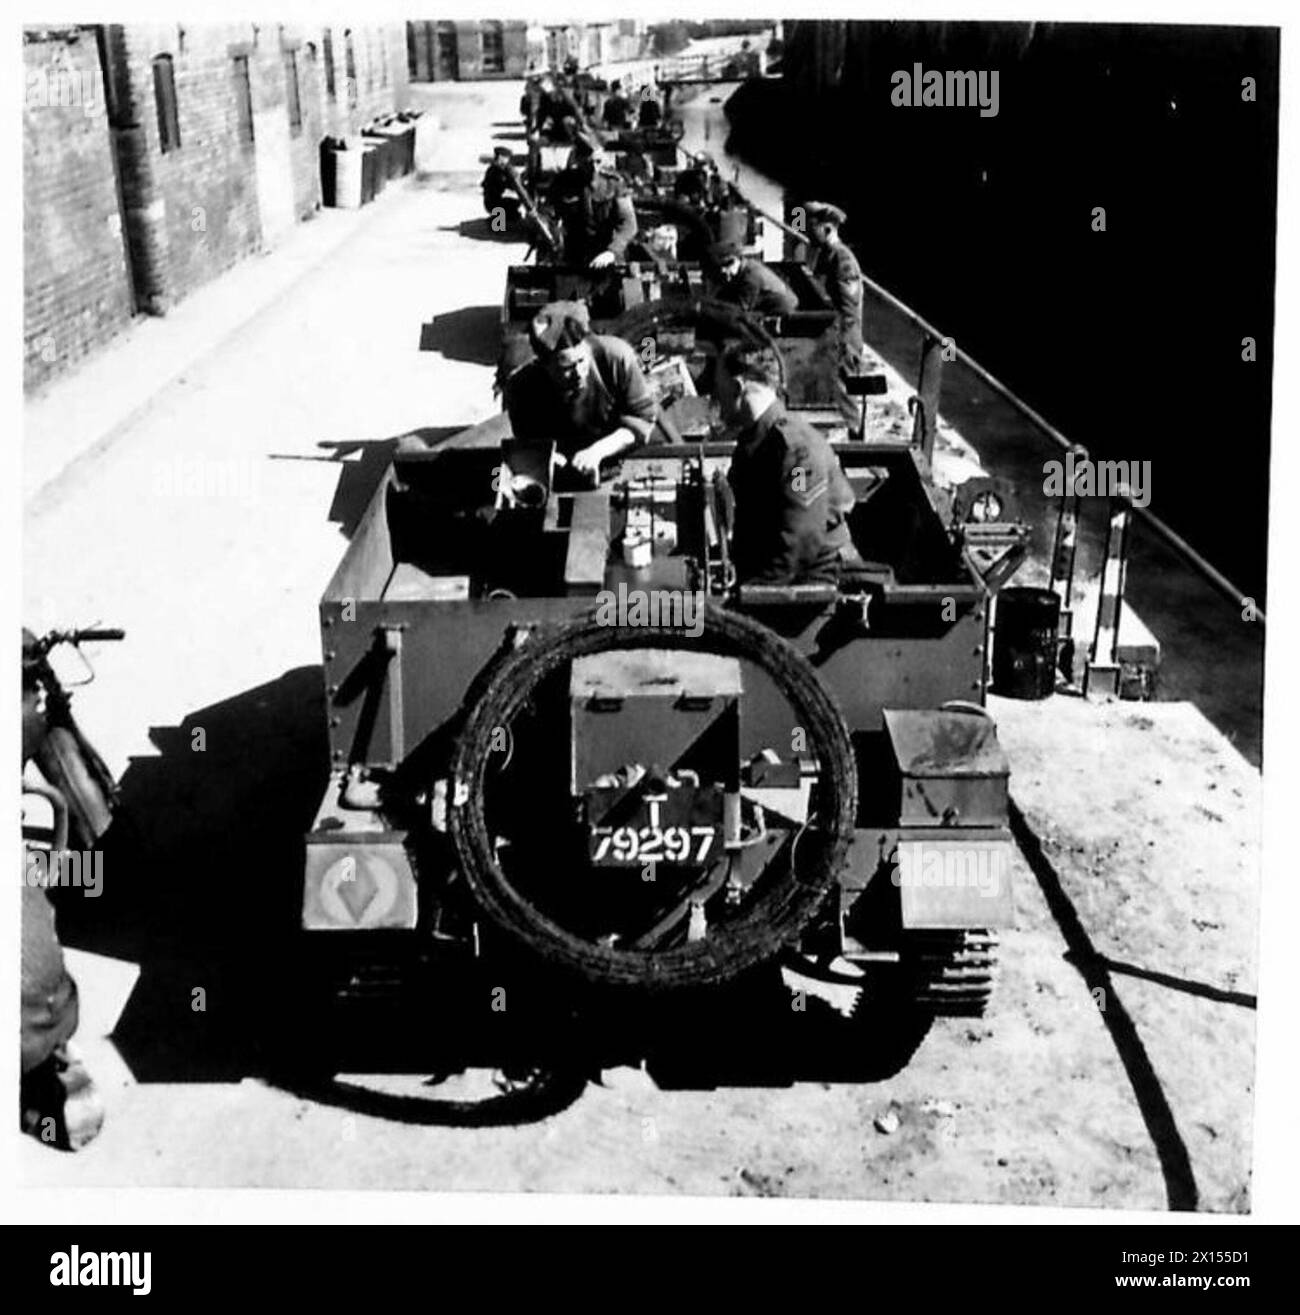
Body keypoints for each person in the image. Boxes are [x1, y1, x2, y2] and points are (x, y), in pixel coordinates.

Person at [720, 343, 858, 584]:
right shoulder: (757, 437)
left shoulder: (795, 453)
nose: (715, 401)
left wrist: (751, 595)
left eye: (717, 391)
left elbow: (799, 543)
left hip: (815, 577)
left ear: (736, 388)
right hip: (776, 565)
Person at [504, 301, 658, 478]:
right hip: (562, 469)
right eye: (567, 368)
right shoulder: (521, 387)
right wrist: (546, 457)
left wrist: (597, 451)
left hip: (618, 456)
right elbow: (528, 442)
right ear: (545, 366)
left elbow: (642, 419)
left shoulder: (617, 358)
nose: (579, 373)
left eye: (582, 362)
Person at [804, 200, 865, 427]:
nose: (809, 235)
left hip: (843, 339)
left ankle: (856, 446)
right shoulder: (826, 254)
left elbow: (849, 310)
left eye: (812, 229)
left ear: (827, 228)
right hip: (834, 336)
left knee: (845, 399)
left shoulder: (843, 260)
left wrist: (840, 344)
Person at [548, 139, 638, 268]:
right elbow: (549, 213)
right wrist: (551, 230)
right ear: (578, 160)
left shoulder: (613, 183)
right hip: (572, 254)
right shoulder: (563, 183)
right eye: (588, 163)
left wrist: (612, 251)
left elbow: (629, 224)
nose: (594, 168)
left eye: (598, 162)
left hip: (606, 254)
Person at [710, 240, 799, 317]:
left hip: (782, 311)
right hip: (769, 305)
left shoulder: (751, 277)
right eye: (720, 266)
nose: (724, 270)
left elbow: (741, 309)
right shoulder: (743, 269)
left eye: (729, 264)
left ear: (739, 259)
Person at [481, 147, 524, 228]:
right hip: (492, 203)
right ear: (501, 158)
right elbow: (508, 184)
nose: (508, 160)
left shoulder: (496, 168)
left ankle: (501, 217)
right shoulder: (495, 171)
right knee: (515, 204)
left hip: (492, 201)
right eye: (506, 158)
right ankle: (496, 220)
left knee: (515, 210)